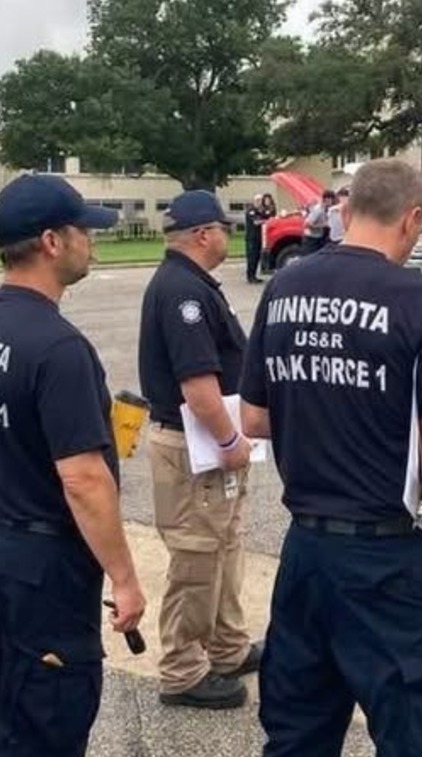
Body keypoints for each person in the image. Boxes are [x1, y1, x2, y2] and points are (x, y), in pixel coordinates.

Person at [240, 159, 422, 757]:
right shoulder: (420, 301)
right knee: (418, 744)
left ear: (345, 212)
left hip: (307, 550)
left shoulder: (285, 287)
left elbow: (254, 417)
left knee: (296, 736)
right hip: (387, 556)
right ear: (412, 219)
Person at [0, 174, 146, 757]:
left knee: (7, 717)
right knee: (47, 726)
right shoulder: (58, 347)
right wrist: (123, 576)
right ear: (50, 242)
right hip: (43, 565)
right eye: (83, 230)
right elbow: (83, 478)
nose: (91, 241)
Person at [138, 190, 261, 710]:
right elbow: (198, 386)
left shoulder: (190, 284)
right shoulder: (182, 294)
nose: (229, 237)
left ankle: (226, 647)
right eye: (224, 229)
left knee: (224, 547)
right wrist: (232, 440)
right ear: (203, 234)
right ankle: (183, 670)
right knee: (196, 558)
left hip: (209, 447)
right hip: (197, 445)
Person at [244, 193, 277, 284]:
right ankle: (250, 277)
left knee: (257, 257)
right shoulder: (251, 211)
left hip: (258, 238)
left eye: (260, 200)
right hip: (251, 238)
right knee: (252, 257)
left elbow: (269, 216)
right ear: (254, 201)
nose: (260, 202)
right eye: (258, 200)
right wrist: (267, 221)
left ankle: (254, 276)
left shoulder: (260, 211)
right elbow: (256, 222)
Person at [302, 189, 336, 255]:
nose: (333, 202)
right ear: (327, 199)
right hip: (311, 239)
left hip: (318, 238)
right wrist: (324, 225)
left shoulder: (325, 209)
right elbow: (307, 224)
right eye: (332, 199)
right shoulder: (318, 209)